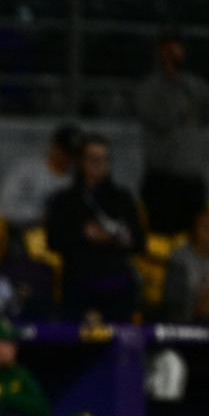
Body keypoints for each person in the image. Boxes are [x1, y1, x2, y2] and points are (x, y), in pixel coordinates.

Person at [135, 31, 209, 235]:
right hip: (163, 182)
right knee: (163, 240)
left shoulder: (194, 84)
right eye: (169, 50)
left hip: (192, 181)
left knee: (195, 239)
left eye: (178, 49)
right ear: (160, 53)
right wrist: (178, 89)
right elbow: (163, 121)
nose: (174, 54)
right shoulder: (148, 88)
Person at [45, 134, 146, 323]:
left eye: (104, 159)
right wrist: (84, 234)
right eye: (93, 158)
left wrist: (118, 239)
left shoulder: (122, 198)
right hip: (80, 277)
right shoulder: (64, 200)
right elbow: (53, 241)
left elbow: (140, 242)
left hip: (117, 279)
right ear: (81, 161)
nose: (99, 164)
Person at [0, 124, 83, 235]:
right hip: (23, 233)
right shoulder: (27, 170)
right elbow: (4, 209)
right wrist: (38, 215)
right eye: (66, 152)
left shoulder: (77, 178)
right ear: (54, 146)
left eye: (74, 155)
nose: (69, 158)